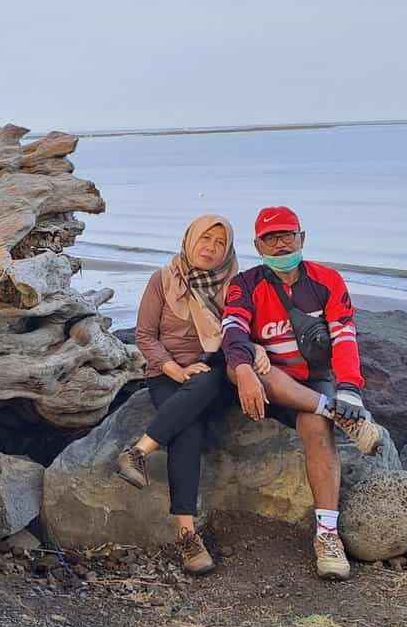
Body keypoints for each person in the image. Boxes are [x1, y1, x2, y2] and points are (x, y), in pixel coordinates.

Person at [221, 206, 381, 580]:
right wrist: (243, 368)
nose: (279, 244)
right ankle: (335, 412)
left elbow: (344, 336)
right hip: (268, 382)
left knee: (315, 430)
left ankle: (327, 536)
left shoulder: (327, 280)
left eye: (286, 235)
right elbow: (232, 330)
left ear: (302, 238)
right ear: (257, 244)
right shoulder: (244, 284)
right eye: (270, 238)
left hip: (313, 381)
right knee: (247, 367)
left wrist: (350, 392)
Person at [114, 214, 270, 575]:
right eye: (205, 239)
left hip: (219, 371)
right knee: (189, 429)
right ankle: (187, 536)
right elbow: (145, 337)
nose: (211, 248)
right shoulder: (163, 280)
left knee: (209, 377)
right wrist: (177, 369)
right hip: (168, 373)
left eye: (220, 242)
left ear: (229, 248)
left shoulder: (238, 285)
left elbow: (250, 328)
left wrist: (256, 348)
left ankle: (138, 452)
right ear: (189, 239)